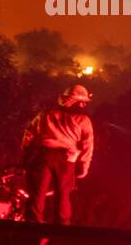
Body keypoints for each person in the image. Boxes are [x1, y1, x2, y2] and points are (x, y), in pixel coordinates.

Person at [21, 84, 94, 225]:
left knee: (37, 194)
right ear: (76, 101)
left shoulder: (45, 114)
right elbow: (87, 146)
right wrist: (84, 167)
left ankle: (32, 227)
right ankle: (61, 229)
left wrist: (24, 158)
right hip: (67, 160)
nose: (84, 105)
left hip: (43, 156)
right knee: (63, 195)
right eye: (83, 101)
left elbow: (28, 135)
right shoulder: (84, 121)